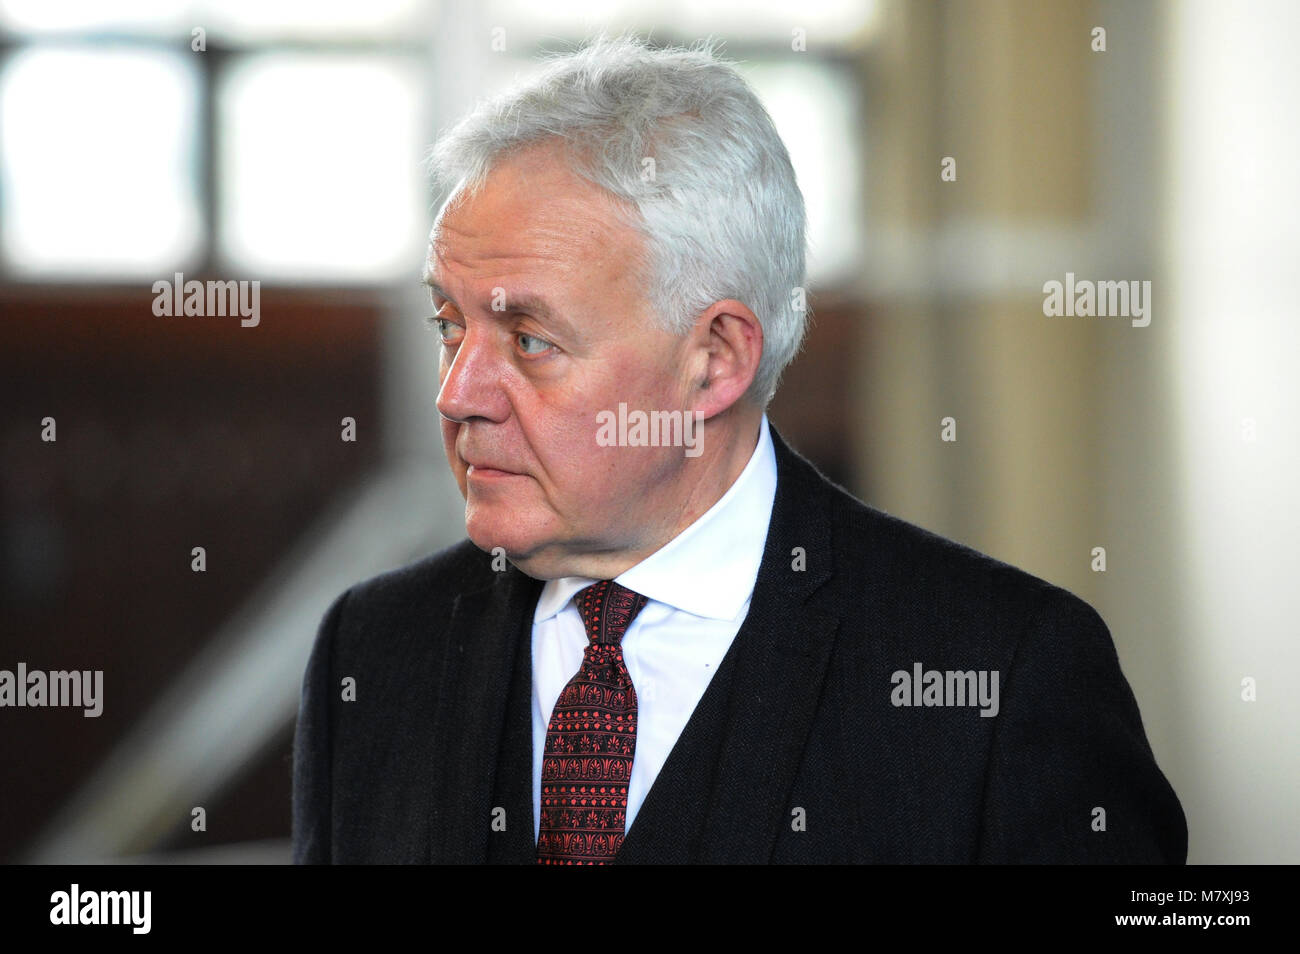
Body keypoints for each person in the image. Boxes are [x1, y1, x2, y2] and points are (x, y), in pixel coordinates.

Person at [292, 35, 1186, 864]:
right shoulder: (370, 654)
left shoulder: (1002, 676)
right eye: (450, 327)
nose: (457, 395)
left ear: (715, 360)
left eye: (530, 340)